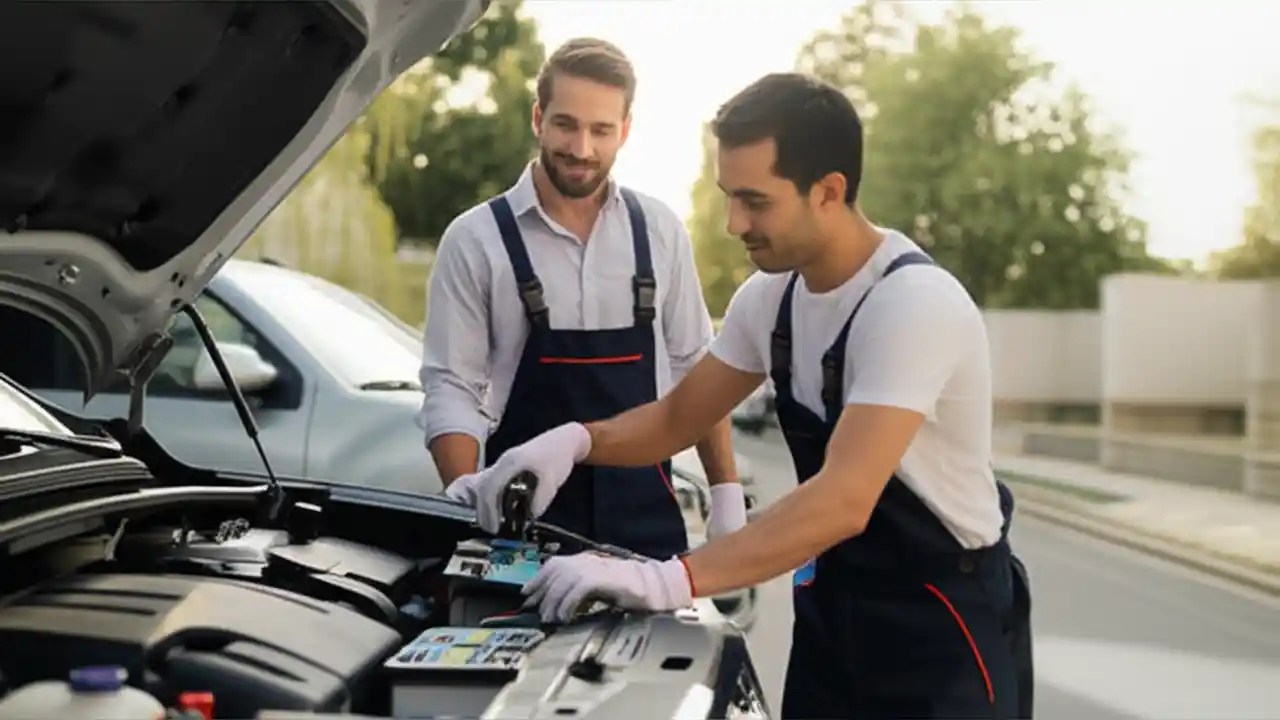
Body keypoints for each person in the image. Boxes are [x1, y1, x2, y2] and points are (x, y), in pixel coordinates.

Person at [452, 72, 1035, 719]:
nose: (734, 223)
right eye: (730, 196)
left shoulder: (911, 306)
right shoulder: (771, 298)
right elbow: (679, 416)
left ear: (829, 192)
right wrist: (574, 442)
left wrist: (666, 578)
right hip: (833, 613)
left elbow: (844, 500)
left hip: (939, 629)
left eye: (755, 201)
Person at [417, 37, 743, 560]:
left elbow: (697, 366)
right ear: (538, 117)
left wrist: (725, 492)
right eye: (566, 124)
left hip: (645, 522)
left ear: (626, 131)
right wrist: (463, 487)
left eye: (601, 130)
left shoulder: (658, 231)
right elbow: (453, 385)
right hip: (521, 521)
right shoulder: (476, 239)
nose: (582, 149)